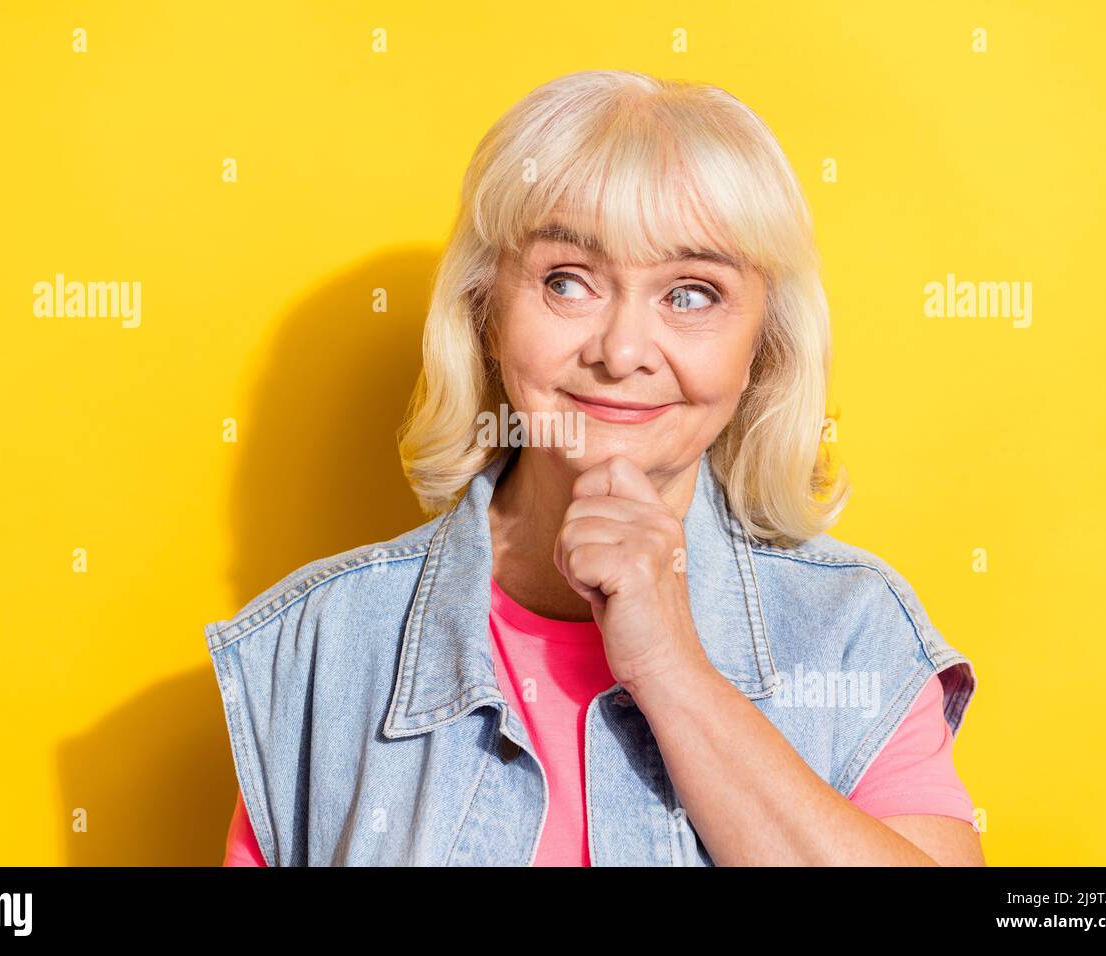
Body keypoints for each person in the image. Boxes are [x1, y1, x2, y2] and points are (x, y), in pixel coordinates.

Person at [204, 69, 982, 866]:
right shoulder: (318, 648)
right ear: (486, 310)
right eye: (567, 281)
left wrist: (671, 670)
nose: (622, 352)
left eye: (692, 294)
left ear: (765, 344)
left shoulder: (853, 631)